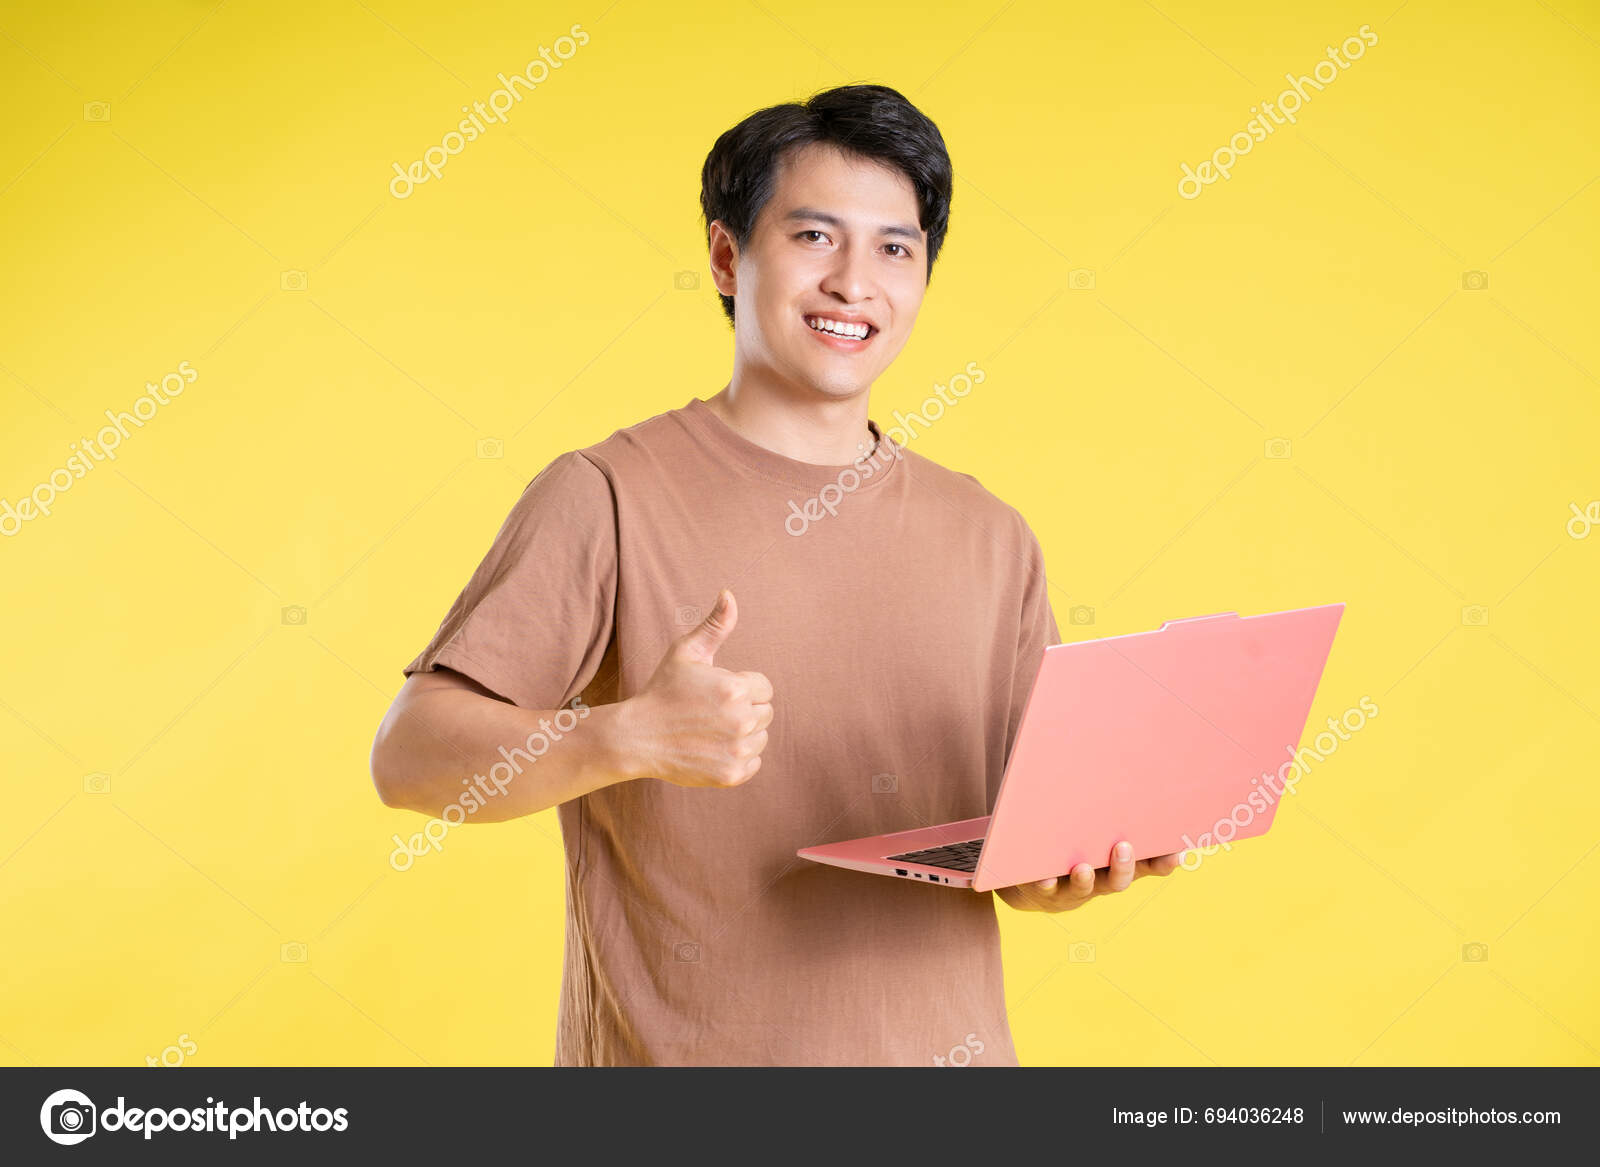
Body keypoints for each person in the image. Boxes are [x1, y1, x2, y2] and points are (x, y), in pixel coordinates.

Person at [370, 83, 1181, 1066]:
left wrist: (1061, 867)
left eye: (895, 247)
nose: (854, 281)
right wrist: (623, 734)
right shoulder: (607, 495)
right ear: (726, 255)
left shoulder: (990, 534)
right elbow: (408, 758)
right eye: (813, 237)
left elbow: (1016, 839)